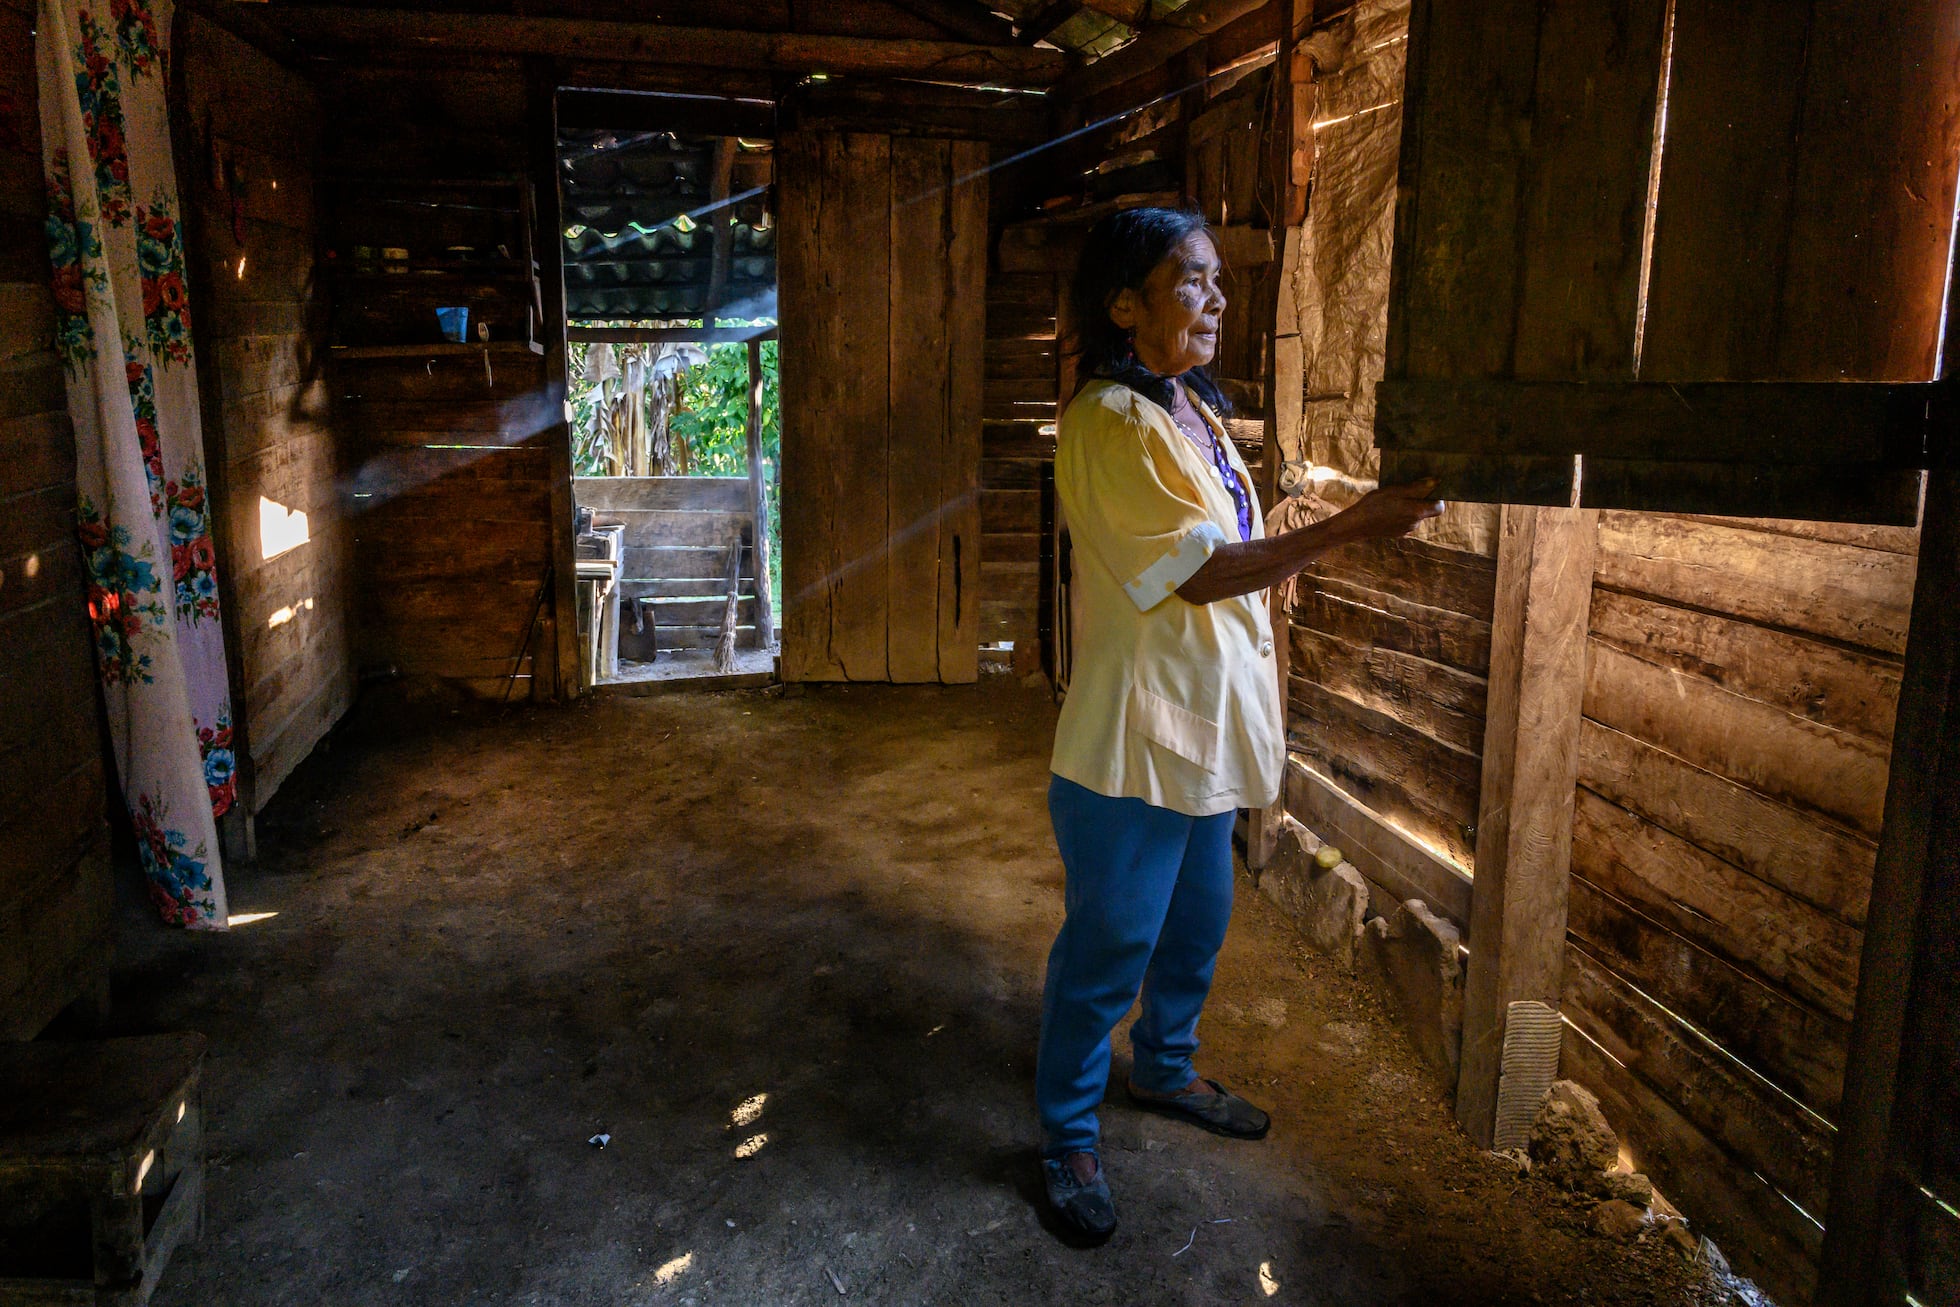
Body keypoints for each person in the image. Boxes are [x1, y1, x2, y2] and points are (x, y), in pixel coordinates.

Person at [1036, 206, 1445, 1241]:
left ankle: (1164, 1070)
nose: (1216, 298)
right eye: (1191, 280)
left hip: (1201, 731)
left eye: (1218, 279)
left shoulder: (1192, 410)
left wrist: (1300, 546)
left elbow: (1231, 548)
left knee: (1195, 927)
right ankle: (1068, 1132)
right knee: (1109, 946)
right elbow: (1199, 571)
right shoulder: (1106, 421)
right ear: (1122, 305)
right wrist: (1352, 526)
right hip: (1131, 749)